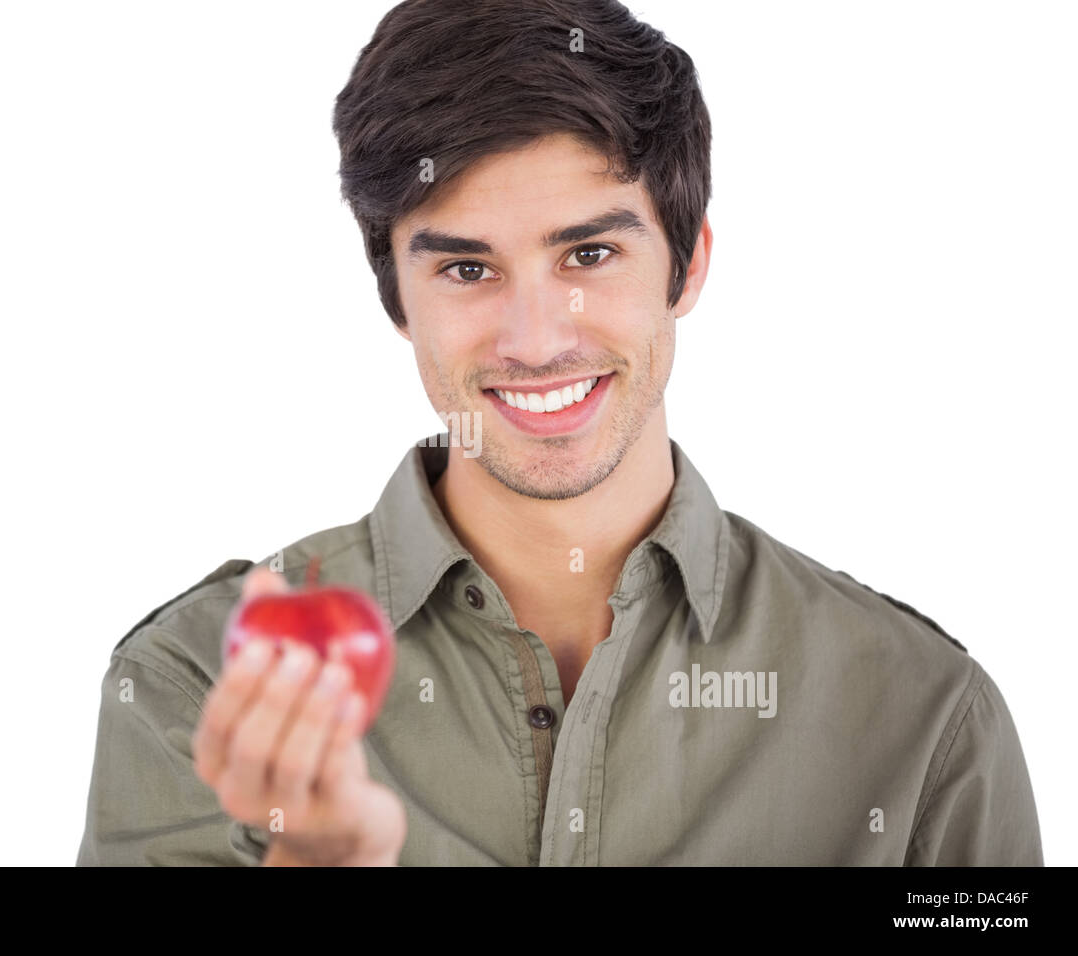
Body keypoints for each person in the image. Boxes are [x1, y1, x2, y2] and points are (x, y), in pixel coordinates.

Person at [75, 0, 1043, 866]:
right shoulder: (199, 679)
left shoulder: (923, 713)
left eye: (589, 252)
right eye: (466, 269)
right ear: (394, 294)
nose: (535, 339)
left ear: (688, 262)